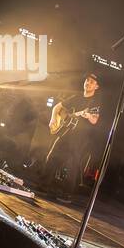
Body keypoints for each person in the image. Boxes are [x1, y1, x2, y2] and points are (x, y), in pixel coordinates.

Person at [39, 73, 104, 201]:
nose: (88, 83)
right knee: (52, 156)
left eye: (92, 82)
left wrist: (88, 115)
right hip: (66, 132)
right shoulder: (76, 97)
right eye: (87, 80)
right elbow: (57, 107)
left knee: (72, 164)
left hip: (80, 138)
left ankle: (67, 194)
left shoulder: (95, 102)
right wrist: (53, 119)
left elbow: (95, 120)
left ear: (96, 87)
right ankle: (43, 186)